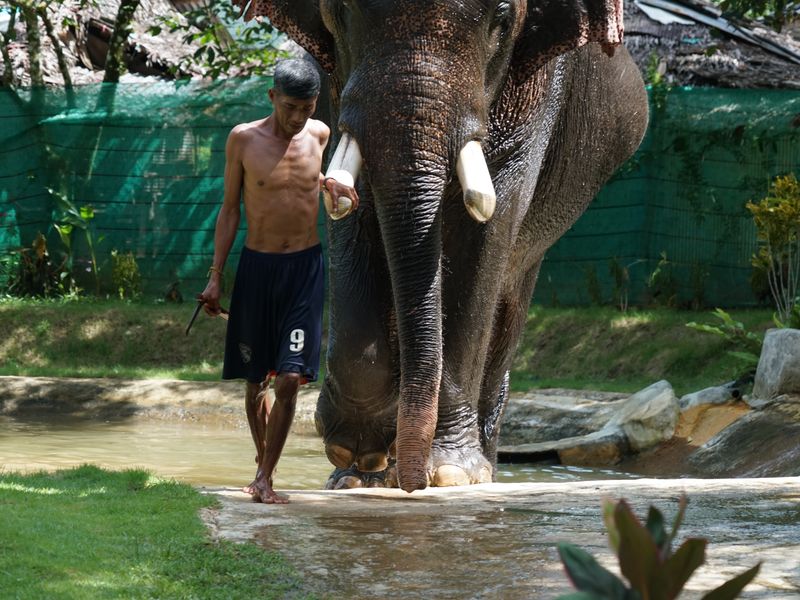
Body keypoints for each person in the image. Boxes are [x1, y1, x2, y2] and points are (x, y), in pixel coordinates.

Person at [199, 59, 359, 504]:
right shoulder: (243, 139)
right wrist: (215, 277)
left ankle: (265, 477)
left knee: (290, 378)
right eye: (290, 107)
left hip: (304, 269)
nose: (298, 117)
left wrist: (330, 185)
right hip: (257, 269)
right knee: (256, 382)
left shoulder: (320, 134)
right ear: (272, 97)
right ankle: (262, 464)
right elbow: (230, 209)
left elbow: (306, 180)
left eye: (307, 108)